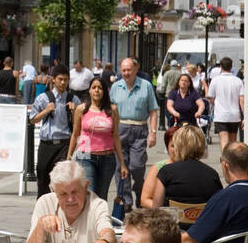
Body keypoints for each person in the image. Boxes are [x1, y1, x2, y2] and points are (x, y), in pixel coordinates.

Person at [24, 159, 117, 243]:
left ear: (86, 186)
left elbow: (109, 234)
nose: (70, 199)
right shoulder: (45, 203)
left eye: (75, 192)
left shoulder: (97, 205)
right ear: (53, 191)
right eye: (63, 194)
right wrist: (40, 227)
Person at [67, 75, 129, 203]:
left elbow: (116, 136)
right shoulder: (81, 109)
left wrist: (122, 163)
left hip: (107, 158)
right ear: (89, 90)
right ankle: (89, 222)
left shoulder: (112, 110)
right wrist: (69, 156)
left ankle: (100, 222)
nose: (96, 90)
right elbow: (75, 134)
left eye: (100, 88)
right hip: (86, 158)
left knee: (101, 197)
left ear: (105, 91)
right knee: (90, 193)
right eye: (93, 87)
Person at [109, 57, 158, 209]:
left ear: (136, 69)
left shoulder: (146, 86)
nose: (126, 73)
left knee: (137, 166)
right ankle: (126, 201)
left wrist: (153, 132)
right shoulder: (116, 87)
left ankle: (140, 190)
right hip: (120, 128)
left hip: (139, 129)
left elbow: (153, 111)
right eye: (123, 70)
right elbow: (109, 110)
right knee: (120, 167)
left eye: (129, 70)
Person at [141, 124, 221, 217]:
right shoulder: (211, 174)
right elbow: (218, 207)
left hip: (173, 227)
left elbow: (157, 208)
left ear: (179, 145)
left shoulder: (166, 172)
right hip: (202, 227)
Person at [29, 64, 76, 198]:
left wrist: (74, 112)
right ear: (53, 79)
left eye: (66, 80)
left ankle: (60, 209)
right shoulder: (43, 98)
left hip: (64, 144)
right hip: (46, 144)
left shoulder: (73, 99)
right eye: (60, 79)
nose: (63, 82)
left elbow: (80, 124)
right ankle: (42, 209)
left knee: (62, 179)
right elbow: (32, 119)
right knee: (43, 178)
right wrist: (46, 111)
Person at [206, 57, 244, 150]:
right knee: (233, 141)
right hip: (235, 115)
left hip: (221, 114)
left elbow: (210, 96)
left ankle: (225, 163)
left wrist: (217, 103)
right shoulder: (238, 81)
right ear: (231, 67)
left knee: (224, 141)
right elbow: (242, 100)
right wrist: (244, 116)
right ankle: (232, 162)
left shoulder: (215, 80)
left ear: (221, 67)